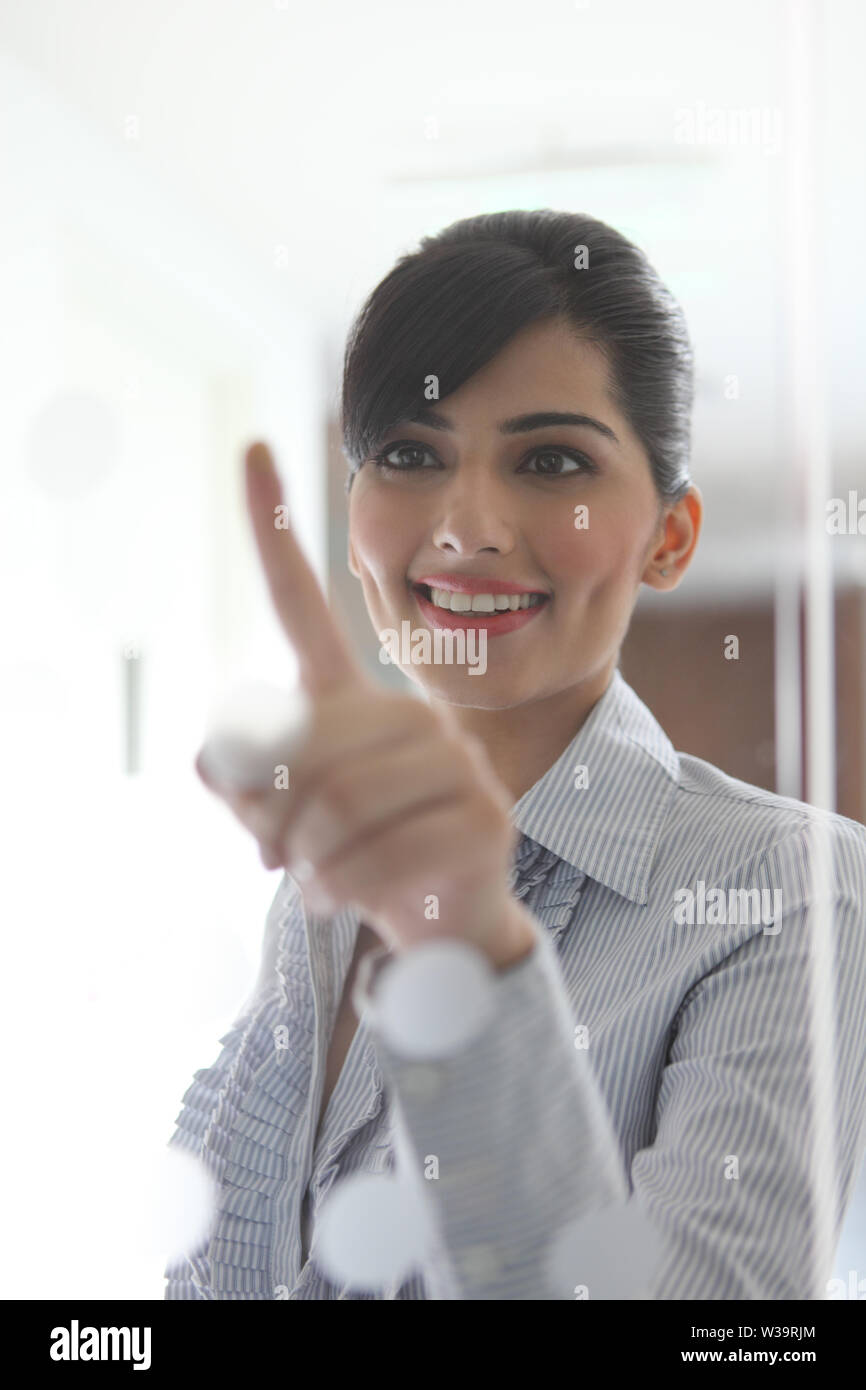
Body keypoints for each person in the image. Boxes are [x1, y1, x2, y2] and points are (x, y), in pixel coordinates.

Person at [164, 209, 866, 1300]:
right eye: (408, 452)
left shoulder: (787, 891)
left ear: (667, 537)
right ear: (352, 519)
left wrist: (473, 949)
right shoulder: (320, 896)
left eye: (550, 460)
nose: (467, 525)